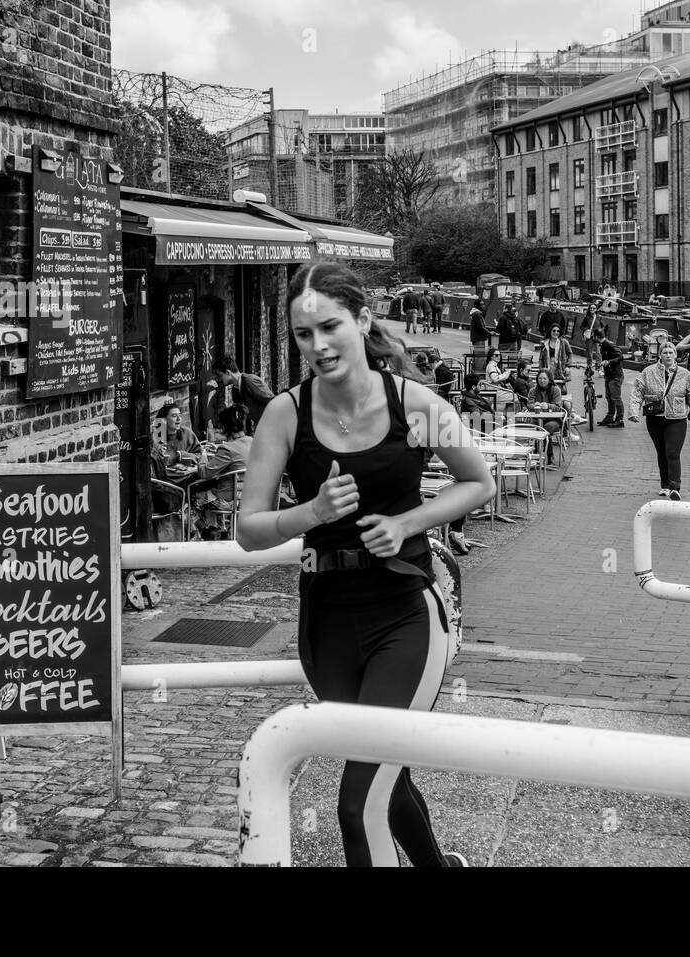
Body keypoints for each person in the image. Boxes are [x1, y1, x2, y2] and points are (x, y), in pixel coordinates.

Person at [236, 261, 494, 868]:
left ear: (363, 320)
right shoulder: (285, 414)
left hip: (404, 613)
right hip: (325, 623)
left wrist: (408, 522)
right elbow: (247, 530)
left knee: (358, 803)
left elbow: (477, 482)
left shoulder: (413, 403)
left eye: (330, 327)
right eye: (304, 334)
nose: (318, 345)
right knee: (386, 778)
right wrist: (312, 512)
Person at [629, 340, 690, 500]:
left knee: (672, 452)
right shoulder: (648, 372)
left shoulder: (685, 374)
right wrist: (633, 412)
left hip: (676, 419)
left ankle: (675, 487)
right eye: (665, 352)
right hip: (654, 419)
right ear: (660, 355)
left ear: (676, 355)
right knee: (661, 452)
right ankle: (664, 485)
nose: (668, 355)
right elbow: (637, 391)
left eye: (671, 352)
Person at [193, 404, 252, 538]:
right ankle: (221, 529)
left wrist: (202, 455)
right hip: (251, 497)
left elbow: (204, 473)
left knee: (191, 497)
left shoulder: (228, 449)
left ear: (225, 428)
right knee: (211, 490)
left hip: (231, 501)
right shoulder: (251, 441)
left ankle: (207, 531)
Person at [210, 356, 274, 436]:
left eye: (220, 375)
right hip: (262, 427)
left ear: (228, 372)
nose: (219, 379)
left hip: (272, 426)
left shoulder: (249, 381)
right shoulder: (235, 390)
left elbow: (272, 400)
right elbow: (241, 415)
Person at [597, 327, 626, 427]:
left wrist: (608, 362)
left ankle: (620, 419)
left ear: (597, 337)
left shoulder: (610, 344)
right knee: (609, 397)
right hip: (609, 375)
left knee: (616, 398)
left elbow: (620, 357)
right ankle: (610, 417)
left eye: (593, 336)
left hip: (615, 375)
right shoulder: (602, 345)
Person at [582, 302, 602, 376]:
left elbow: (602, 326)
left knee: (598, 353)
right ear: (589, 309)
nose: (592, 309)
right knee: (589, 354)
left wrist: (599, 331)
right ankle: (589, 367)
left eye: (594, 308)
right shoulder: (586, 318)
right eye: (591, 308)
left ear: (596, 309)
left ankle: (599, 368)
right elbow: (581, 326)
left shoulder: (599, 317)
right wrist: (587, 329)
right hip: (589, 338)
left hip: (596, 337)